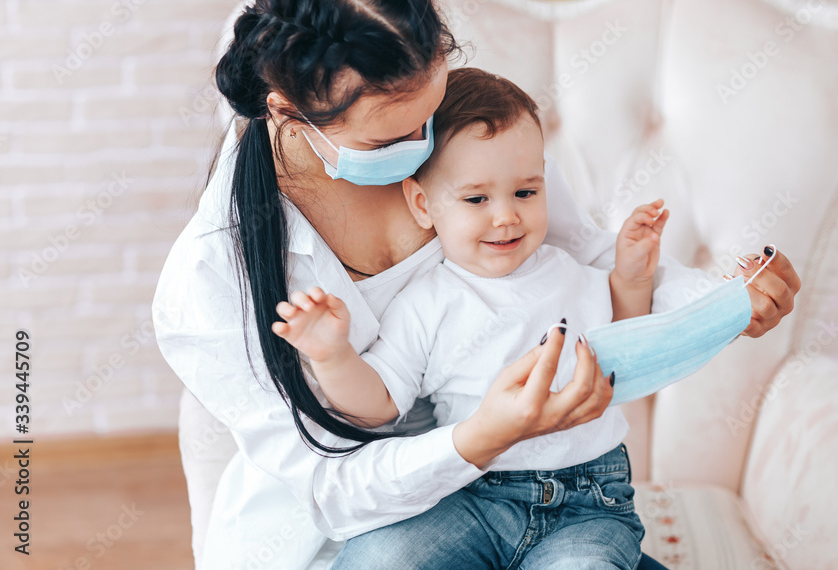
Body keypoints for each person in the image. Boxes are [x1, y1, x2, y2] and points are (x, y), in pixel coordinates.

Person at [151, 0, 801, 570]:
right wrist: (481, 436)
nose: (423, 144)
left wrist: (724, 302)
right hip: (346, 533)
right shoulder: (211, 275)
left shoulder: (466, 135)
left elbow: (582, 260)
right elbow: (334, 490)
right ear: (287, 110)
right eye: (388, 141)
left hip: (533, 491)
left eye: (428, 114)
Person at [276, 68, 673, 568]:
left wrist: (633, 276)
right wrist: (333, 355)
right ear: (423, 205)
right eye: (476, 199)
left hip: (586, 501)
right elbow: (378, 404)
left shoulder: (568, 273)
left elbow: (624, 339)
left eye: (525, 193)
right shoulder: (426, 302)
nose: (506, 216)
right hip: (468, 495)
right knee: (378, 558)